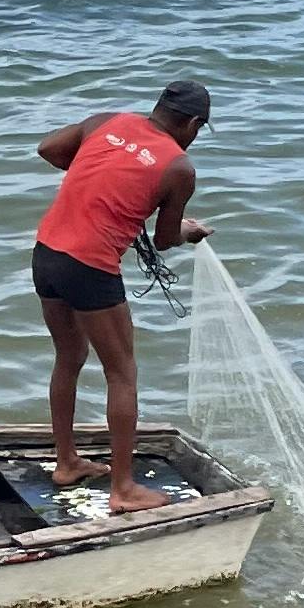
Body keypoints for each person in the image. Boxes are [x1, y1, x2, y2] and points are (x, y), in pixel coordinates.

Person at [31, 83, 211, 511]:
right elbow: (166, 239)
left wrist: (99, 180)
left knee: (69, 358)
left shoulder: (108, 122)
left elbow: (49, 148)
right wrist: (190, 231)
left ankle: (67, 462)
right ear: (191, 123)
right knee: (122, 372)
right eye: (199, 129)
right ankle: (123, 489)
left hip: (47, 253)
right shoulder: (179, 168)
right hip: (90, 265)